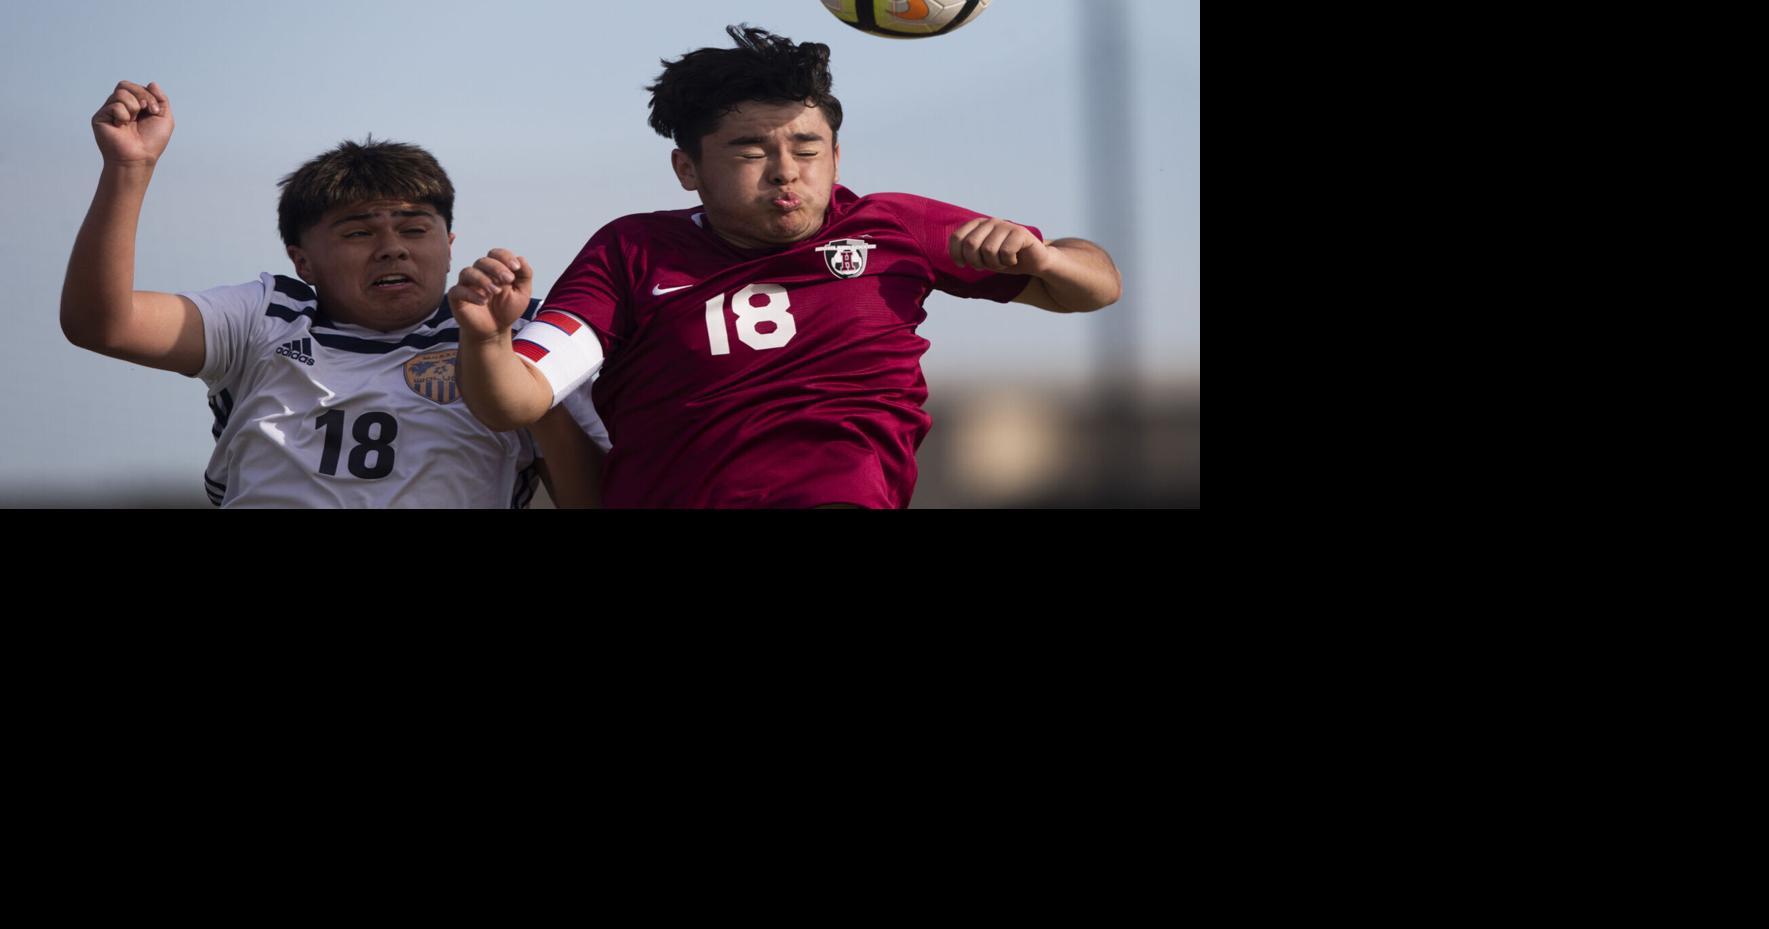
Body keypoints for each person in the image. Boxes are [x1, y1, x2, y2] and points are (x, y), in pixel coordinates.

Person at [450, 26, 1119, 508]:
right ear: (687, 168)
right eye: (749, 150)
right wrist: (486, 338)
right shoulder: (631, 251)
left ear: (835, 154)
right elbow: (518, 398)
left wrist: (1048, 258)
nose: (785, 171)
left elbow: (1094, 286)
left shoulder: (893, 226)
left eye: (807, 147)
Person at [60, 81, 607, 508]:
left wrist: (515, 373)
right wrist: (129, 169)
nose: (392, 248)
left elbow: (592, 500)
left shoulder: (527, 333)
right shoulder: (264, 316)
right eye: (358, 232)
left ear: (449, 246)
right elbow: (101, 324)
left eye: (415, 229)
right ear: (302, 261)